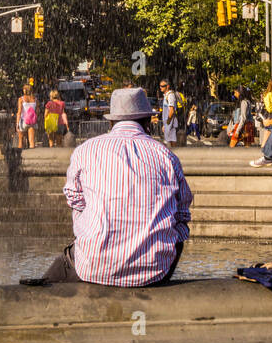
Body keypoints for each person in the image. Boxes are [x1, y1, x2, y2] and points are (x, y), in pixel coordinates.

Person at [42, 86, 192, 286]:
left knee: (48, 281)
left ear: (111, 122)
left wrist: (91, 226)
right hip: (155, 272)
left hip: (93, 265)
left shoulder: (86, 150)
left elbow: (74, 199)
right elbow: (182, 213)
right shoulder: (166, 155)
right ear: (147, 122)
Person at [15, 84, 37, 149]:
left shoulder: (21, 99)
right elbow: (37, 111)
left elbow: (19, 112)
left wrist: (17, 123)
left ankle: (20, 153)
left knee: (20, 141)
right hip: (32, 121)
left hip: (23, 121)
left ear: (24, 90)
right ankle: (32, 154)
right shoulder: (35, 99)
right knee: (32, 142)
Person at [159, 79, 179, 148]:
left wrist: (167, 123)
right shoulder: (166, 95)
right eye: (160, 86)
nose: (160, 87)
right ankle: (173, 153)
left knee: (168, 142)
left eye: (162, 86)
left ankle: (172, 153)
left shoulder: (170, 95)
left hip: (170, 122)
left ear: (167, 86)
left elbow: (171, 111)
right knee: (171, 140)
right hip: (169, 122)